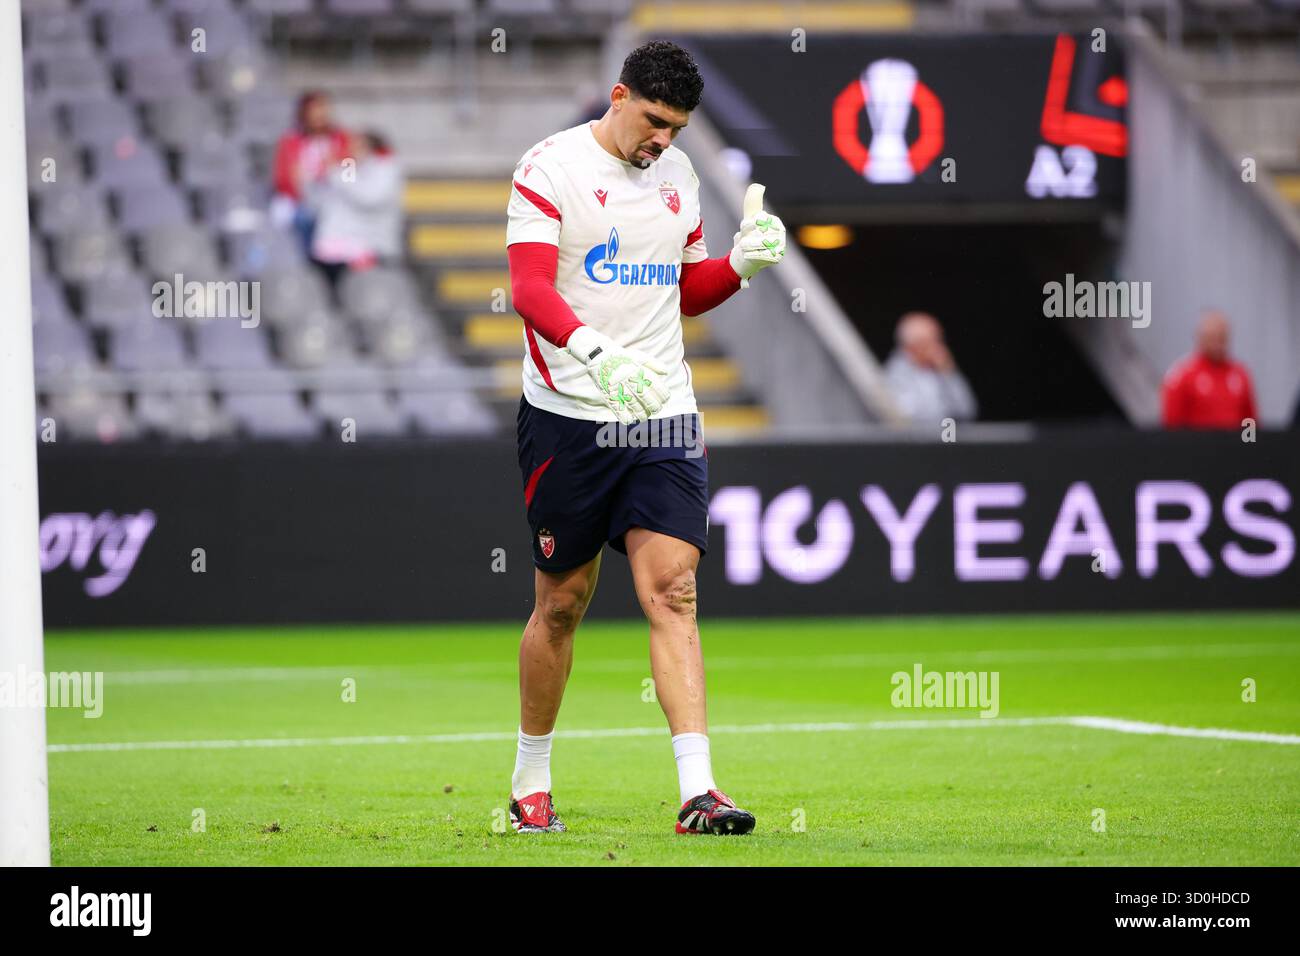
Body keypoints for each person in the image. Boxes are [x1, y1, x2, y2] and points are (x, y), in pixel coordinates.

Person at [504, 39, 786, 836]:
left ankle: (699, 792)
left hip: (662, 412)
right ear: (620, 96)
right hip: (569, 415)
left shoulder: (680, 177)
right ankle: (531, 778)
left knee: (675, 591)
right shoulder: (548, 168)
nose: (664, 140)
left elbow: (686, 291)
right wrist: (594, 351)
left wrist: (739, 264)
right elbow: (527, 287)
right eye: (656, 121)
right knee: (562, 603)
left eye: (678, 128)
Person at [306, 131, 404, 286]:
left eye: (356, 145)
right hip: (346, 248)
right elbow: (335, 199)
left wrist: (336, 170)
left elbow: (367, 198)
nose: (350, 150)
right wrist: (321, 176)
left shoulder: (385, 168)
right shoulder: (351, 166)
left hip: (374, 246)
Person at [270, 91, 349, 255]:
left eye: (324, 109)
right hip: (301, 201)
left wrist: (334, 168)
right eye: (315, 110)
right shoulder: (290, 142)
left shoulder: (343, 139)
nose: (320, 115)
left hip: (336, 200)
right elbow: (283, 179)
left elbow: (350, 176)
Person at [1162, 310, 1258, 429]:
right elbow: (1172, 424)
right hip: (1197, 446)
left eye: (1221, 337)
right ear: (1200, 338)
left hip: (1234, 446)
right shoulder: (1182, 375)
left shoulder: (1240, 374)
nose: (1217, 344)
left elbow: (1250, 421)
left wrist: (1251, 445)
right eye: (1212, 337)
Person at [884, 312, 978, 425]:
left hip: (946, 438)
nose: (938, 346)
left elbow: (967, 410)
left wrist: (948, 373)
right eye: (932, 341)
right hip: (915, 440)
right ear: (913, 345)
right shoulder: (894, 374)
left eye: (939, 340)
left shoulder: (941, 369)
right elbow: (907, 415)